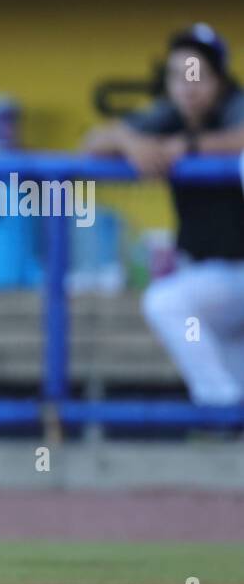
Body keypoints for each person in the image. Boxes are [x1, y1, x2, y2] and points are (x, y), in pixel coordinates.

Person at [84, 23, 244, 406]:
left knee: (166, 303)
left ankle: (219, 408)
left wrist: (187, 146)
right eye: (178, 76)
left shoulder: (234, 106)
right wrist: (129, 141)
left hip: (236, 274)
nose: (188, 86)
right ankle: (225, 416)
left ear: (220, 80)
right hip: (207, 277)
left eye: (199, 76)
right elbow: (91, 142)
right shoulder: (169, 115)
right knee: (228, 362)